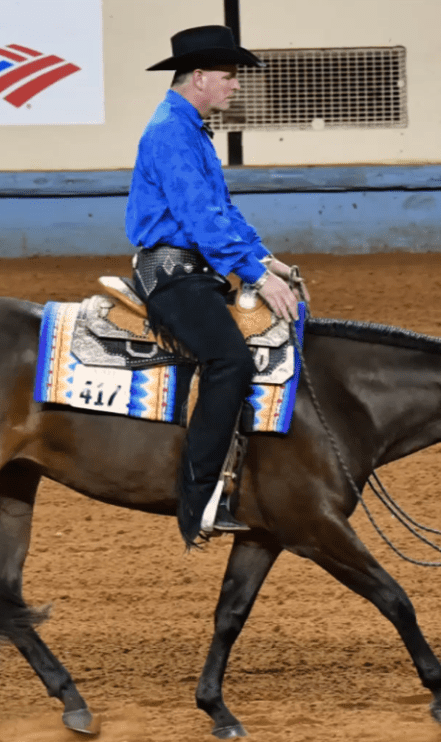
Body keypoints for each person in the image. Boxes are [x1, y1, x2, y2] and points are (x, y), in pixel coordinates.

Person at [125, 25, 305, 547]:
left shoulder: (187, 128)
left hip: (192, 270)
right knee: (229, 361)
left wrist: (265, 258)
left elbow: (221, 211)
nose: (236, 85)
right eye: (229, 76)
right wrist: (253, 274)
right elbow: (198, 218)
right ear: (199, 77)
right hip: (173, 276)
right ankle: (198, 498)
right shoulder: (171, 133)